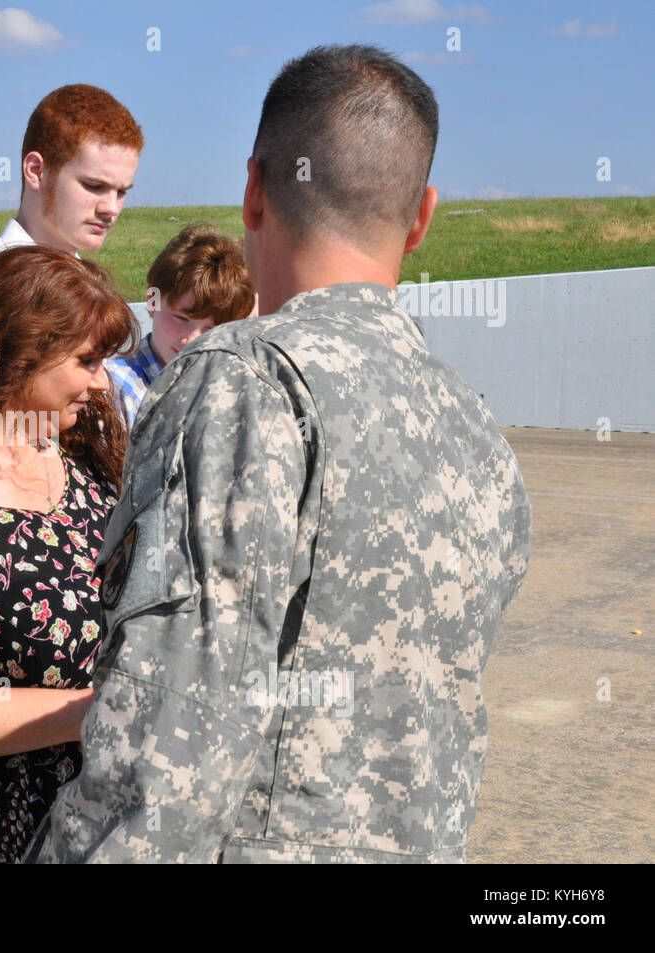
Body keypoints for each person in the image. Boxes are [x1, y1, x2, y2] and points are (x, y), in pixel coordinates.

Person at [29, 44, 533, 863]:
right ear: (422, 216)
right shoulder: (473, 424)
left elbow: (169, 746)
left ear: (255, 191)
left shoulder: (242, 380)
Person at [0, 244, 135, 863]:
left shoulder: (92, 470)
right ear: (19, 355)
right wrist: (92, 712)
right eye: (86, 360)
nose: (102, 380)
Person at [0, 84, 143, 333]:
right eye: (94, 185)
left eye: (122, 191)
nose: (111, 208)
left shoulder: (96, 294)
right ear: (36, 171)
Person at [106, 223, 256, 425]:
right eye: (181, 318)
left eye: (210, 330)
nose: (191, 339)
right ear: (152, 300)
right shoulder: (114, 389)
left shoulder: (236, 387)